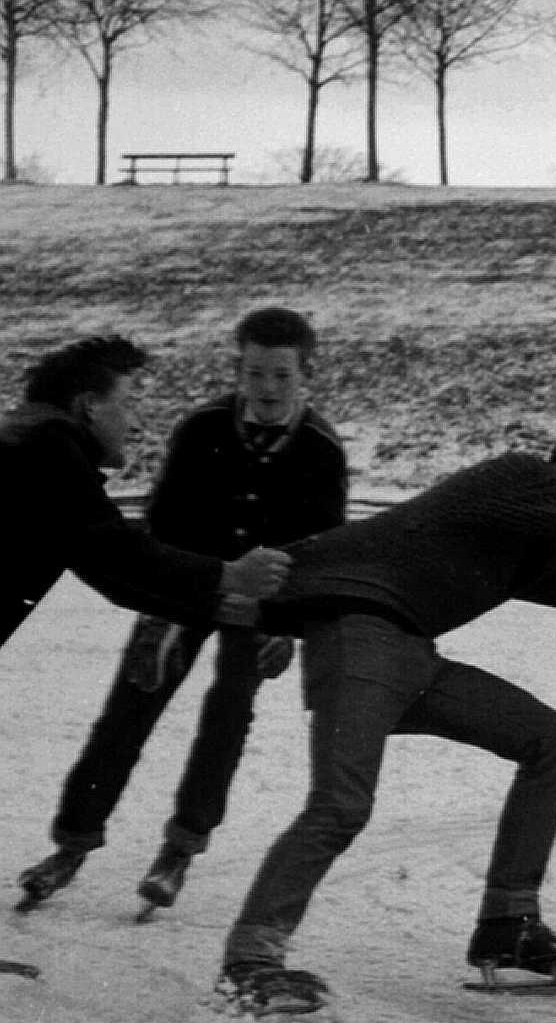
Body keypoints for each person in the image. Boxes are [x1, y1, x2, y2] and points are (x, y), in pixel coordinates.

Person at [215, 409, 556, 1015]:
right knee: (341, 805)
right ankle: (252, 957)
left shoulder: (541, 549)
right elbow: (322, 556)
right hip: (359, 638)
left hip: (413, 657)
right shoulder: (517, 478)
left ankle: (508, 923)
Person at [18, 308, 348, 920]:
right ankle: (72, 844)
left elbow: (321, 547)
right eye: (254, 373)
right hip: (182, 594)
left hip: (261, 608)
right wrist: (172, 602)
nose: (267, 389)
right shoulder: (201, 429)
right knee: (126, 714)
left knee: (226, 723)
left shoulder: (322, 450)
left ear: (306, 373)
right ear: (238, 370)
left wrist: (288, 624)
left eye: (281, 375)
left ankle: (180, 850)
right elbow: (161, 521)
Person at [2, 334, 290, 659]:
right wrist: (229, 575)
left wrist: (220, 606)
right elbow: (120, 553)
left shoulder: (29, 448)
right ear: (90, 406)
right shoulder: (47, 450)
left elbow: (108, 570)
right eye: (128, 404)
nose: (135, 424)